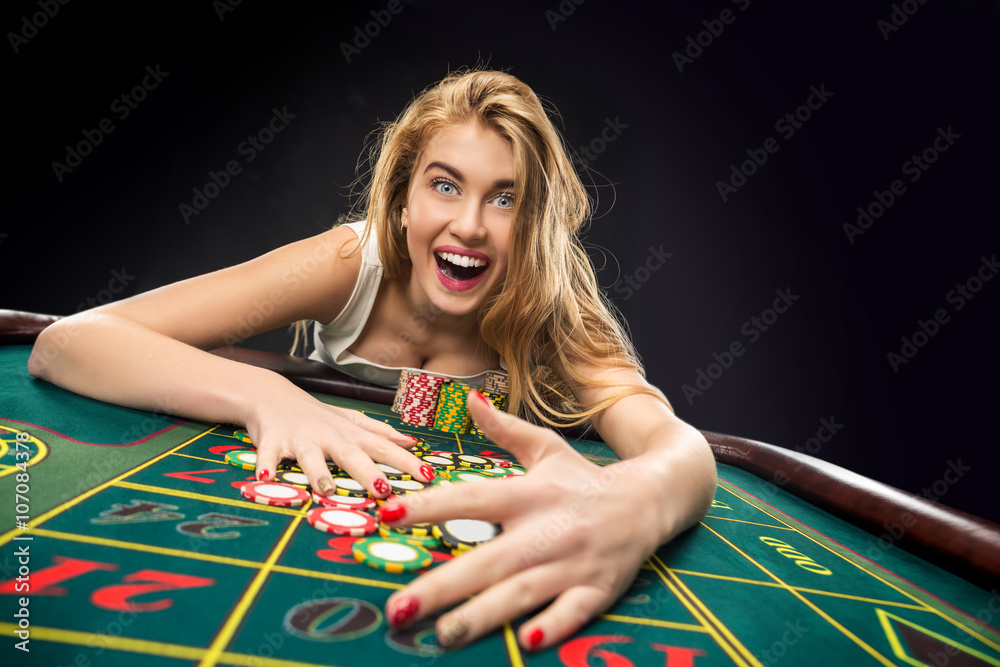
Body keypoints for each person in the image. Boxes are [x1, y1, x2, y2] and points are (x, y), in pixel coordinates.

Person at [28, 68, 717, 652]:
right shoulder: (351, 262)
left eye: (506, 199)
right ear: (402, 200)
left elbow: (677, 446)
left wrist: (638, 501)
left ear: (535, 223)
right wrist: (266, 395)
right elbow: (70, 342)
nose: (470, 224)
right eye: (445, 185)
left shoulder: (552, 312)